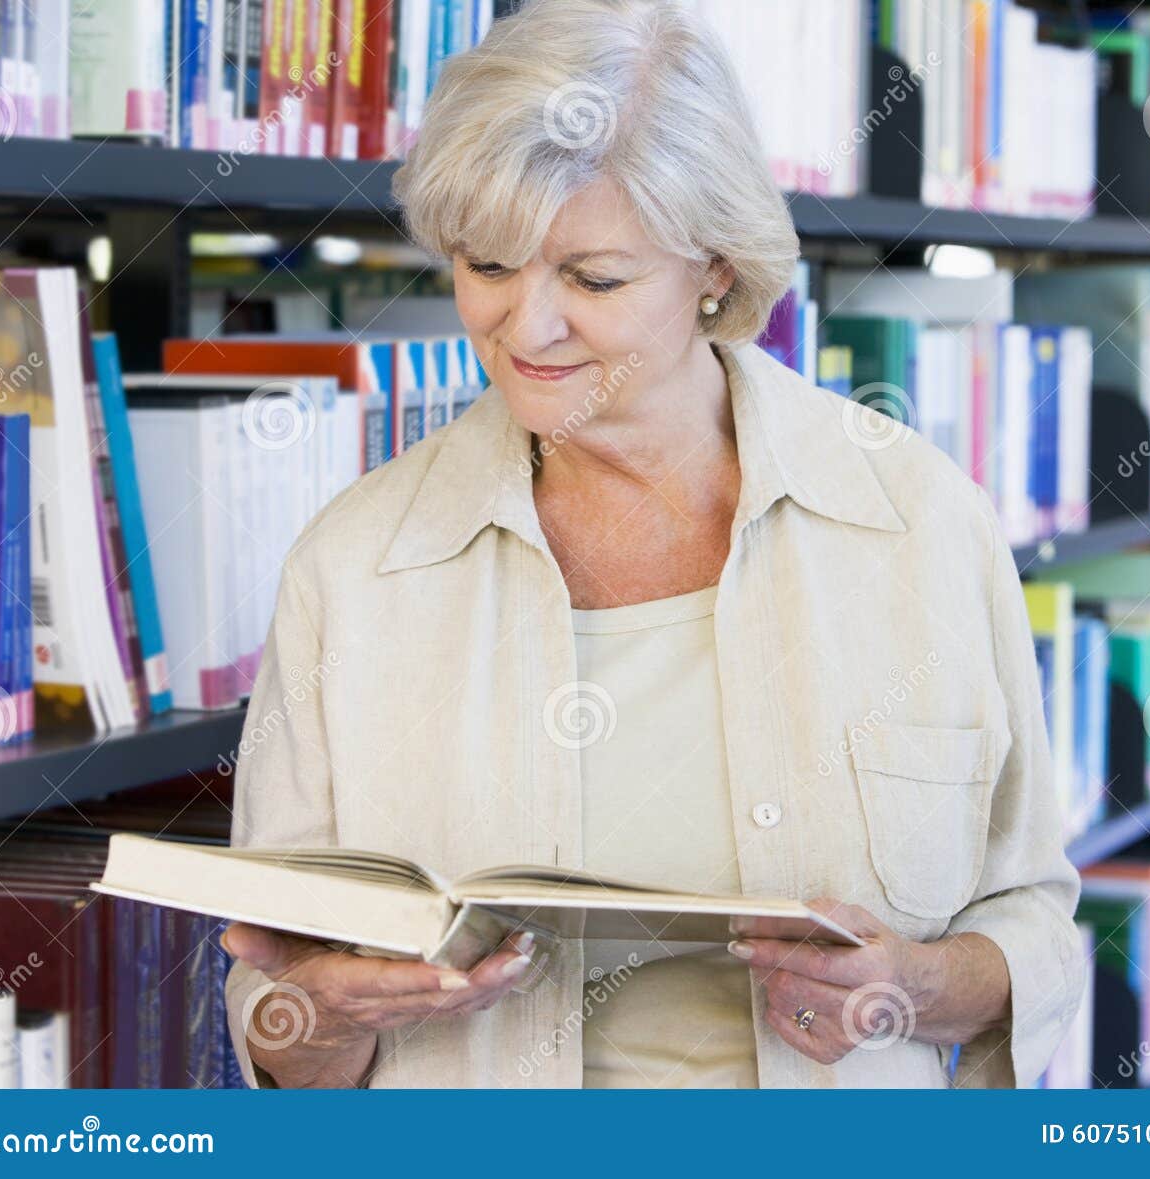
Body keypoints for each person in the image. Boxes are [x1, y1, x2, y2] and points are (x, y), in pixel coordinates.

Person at [219, 0, 1084, 1089]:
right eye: (487, 266)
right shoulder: (352, 569)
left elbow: (1033, 920)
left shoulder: (918, 523)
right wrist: (321, 1012)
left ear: (714, 269)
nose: (525, 328)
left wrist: (911, 983)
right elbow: (274, 1011)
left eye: (592, 279)